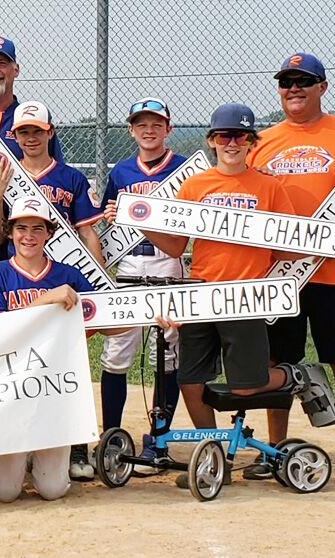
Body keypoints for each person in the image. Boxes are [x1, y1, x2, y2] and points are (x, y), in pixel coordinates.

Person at [133, 104, 314, 489]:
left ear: (251, 142)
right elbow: (176, 245)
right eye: (224, 136)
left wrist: (313, 243)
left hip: (244, 296)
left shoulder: (269, 187)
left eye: (240, 136)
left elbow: (285, 247)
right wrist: (141, 223)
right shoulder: (196, 186)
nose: (232, 143)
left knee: (246, 385)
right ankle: (214, 457)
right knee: (191, 381)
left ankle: (296, 374)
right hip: (202, 293)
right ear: (212, 141)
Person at [0, 196, 128, 502]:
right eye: (21, 228)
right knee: (6, 492)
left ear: (50, 233)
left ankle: (33, 455)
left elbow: (104, 324)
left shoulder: (69, 276)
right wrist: (47, 299)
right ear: (9, 232)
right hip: (10, 388)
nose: (29, 236)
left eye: (38, 228)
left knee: (52, 490)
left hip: (53, 389)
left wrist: (146, 317)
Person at [0, 100, 104, 479]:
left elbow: (87, 230)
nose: (31, 137)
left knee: (68, 361)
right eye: (24, 132)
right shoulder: (5, 173)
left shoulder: (70, 177)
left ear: (50, 132)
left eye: (37, 130)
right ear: (14, 136)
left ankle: (75, 442)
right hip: (18, 276)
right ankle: (7, 443)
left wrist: (100, 280)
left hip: (62, 272)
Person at [244, 53, 335, 481]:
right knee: (279, 360)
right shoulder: (262, 140)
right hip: (281, 275)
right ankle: (275, 450)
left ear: (322, 87)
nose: (294, 88)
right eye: (286, 81)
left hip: (331, 272)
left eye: (303, 80)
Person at [98, 98, 187, 473]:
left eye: (156, 124)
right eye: (141, 125)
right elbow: (108, 216)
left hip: (167, 265)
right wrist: (110, 214)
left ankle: (159, 440)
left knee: (165, 354)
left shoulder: (184, 169)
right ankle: (112, 437)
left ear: (168, 129)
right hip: (130, 267)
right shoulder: (121, 171)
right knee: (117, 352)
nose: (149, 130)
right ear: (131, 130)